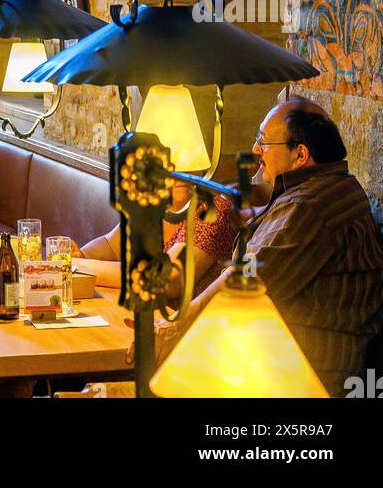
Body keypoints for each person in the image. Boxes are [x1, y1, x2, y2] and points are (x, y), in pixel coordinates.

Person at [153, 100, 383, 396]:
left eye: (263, 141)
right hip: (276, 354)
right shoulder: (328, 187)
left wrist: (178, 325)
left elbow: (245, 283)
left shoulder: (309, 206)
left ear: (300, 154)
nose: (256, 150)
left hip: (308, 371)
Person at [75, 180, 236, 300]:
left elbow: (167, 278)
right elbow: (111, 245)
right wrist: (82, 255)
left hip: (194, 335)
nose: (181, 172)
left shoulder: (214, 209)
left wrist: (78, 266)